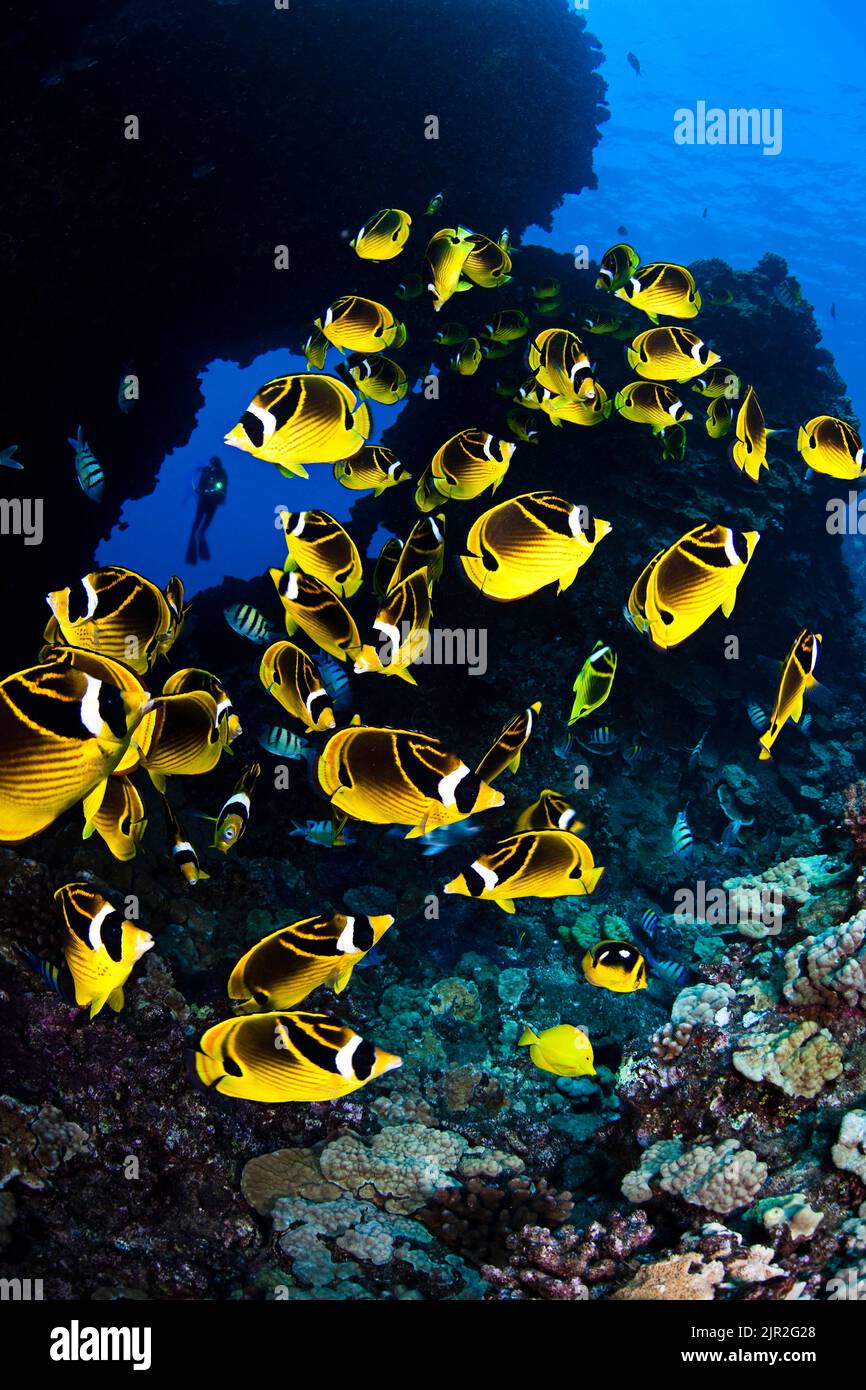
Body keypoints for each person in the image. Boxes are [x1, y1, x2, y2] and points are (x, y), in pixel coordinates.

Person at [186, 455, 228, 564]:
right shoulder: (206, 470)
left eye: (215, 465)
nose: (213, 467)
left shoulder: (222, 474)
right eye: (212, 465)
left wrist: (218, 492)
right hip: (204, 499)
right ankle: (195, 532)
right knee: (199, 517)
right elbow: (197, 479)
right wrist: (199, 490)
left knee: (207, 519)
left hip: (213, 501)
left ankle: (201, 532)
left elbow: (223, 488)